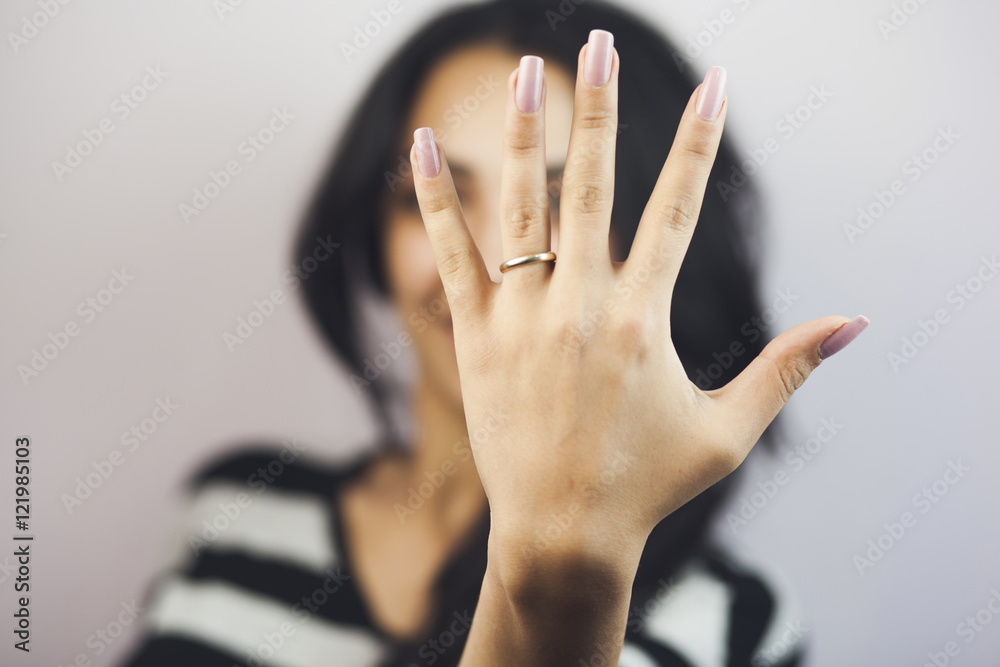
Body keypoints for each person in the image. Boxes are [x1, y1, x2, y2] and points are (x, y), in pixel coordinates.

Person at [120, 1, 867, 665]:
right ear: (373, 240)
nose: (491, 259)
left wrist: (562, 590)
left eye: (558, 197)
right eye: (431, 197)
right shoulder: (236, 506)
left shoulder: (730, 622)